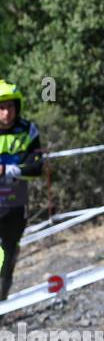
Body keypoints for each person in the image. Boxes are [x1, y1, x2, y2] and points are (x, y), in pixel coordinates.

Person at [0, 79, 42, 299]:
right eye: (1, 108)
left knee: (8, 254)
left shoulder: (28, 130)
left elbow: (36, 167)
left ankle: (2, 300)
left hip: (15, 204)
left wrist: (6, 169)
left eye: (10, 107)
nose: (6, 113)